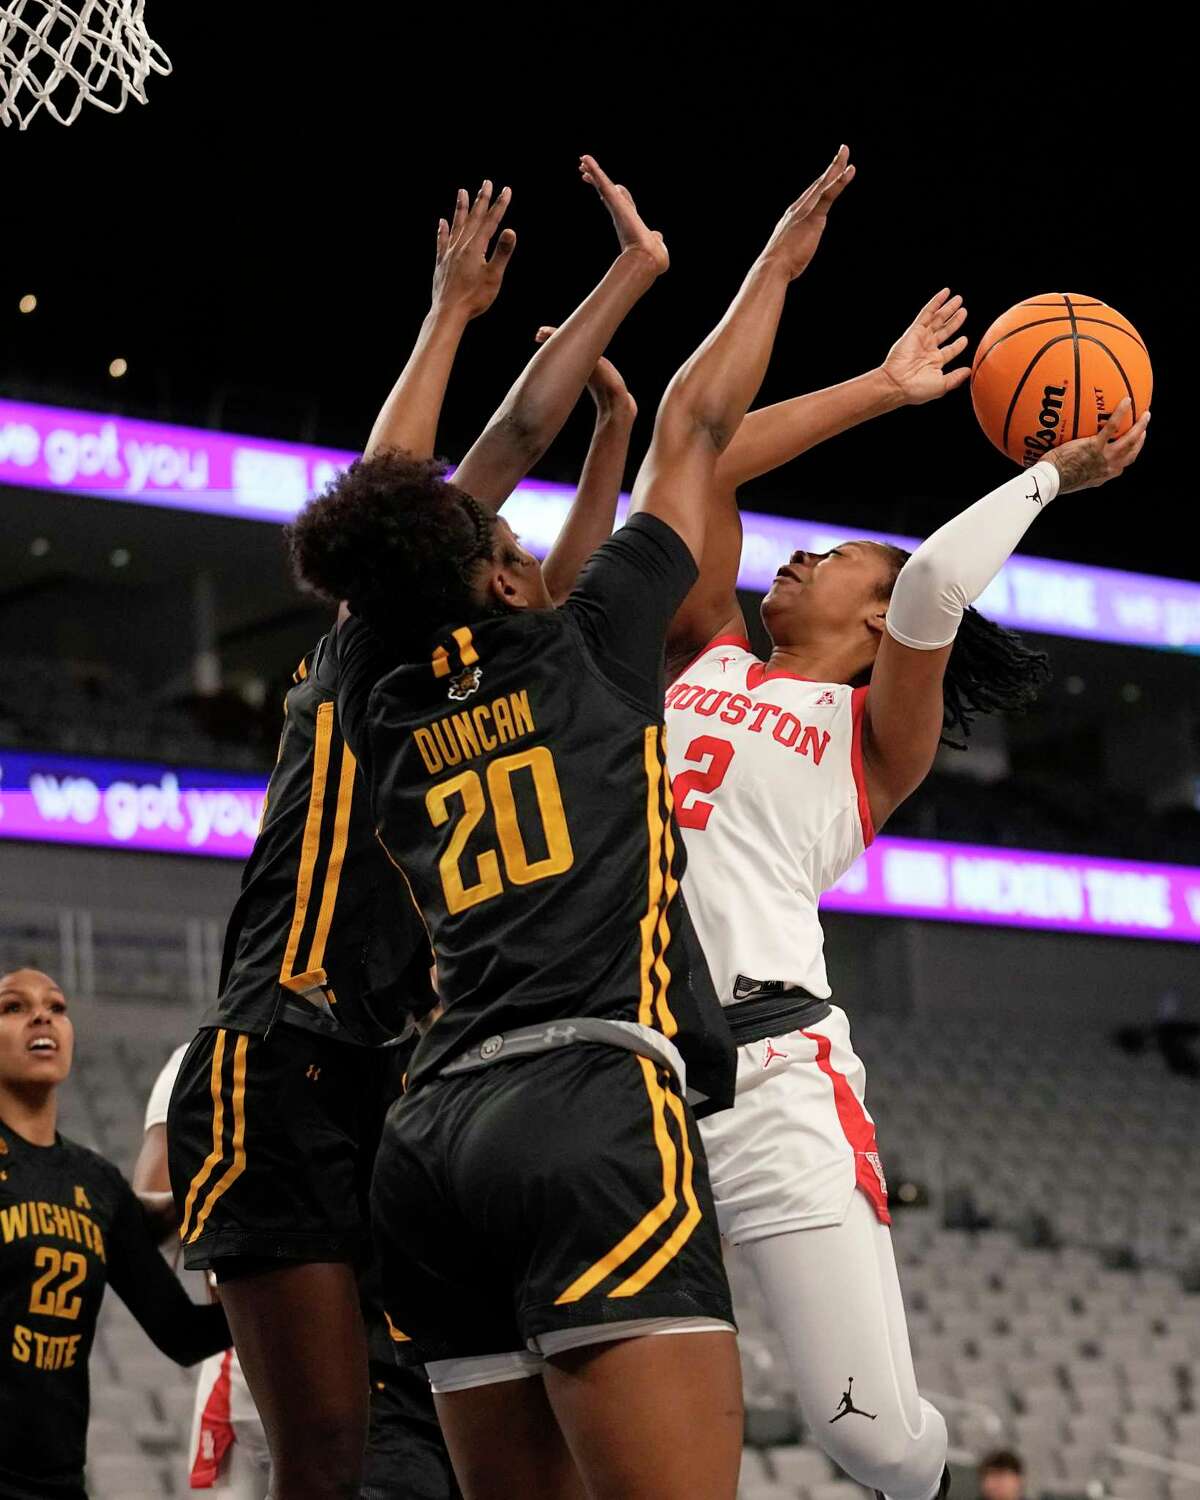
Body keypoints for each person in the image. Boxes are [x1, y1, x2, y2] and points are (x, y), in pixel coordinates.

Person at [289, 146, 857, 1500]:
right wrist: (771, 264)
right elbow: (697, 427)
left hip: (433, 1145)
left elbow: (393, 514)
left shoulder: (373, 684)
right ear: (500, 572)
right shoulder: (591, 643)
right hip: (591, 1105)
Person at [168, 165, 660, 1500]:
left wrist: (630, 295)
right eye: (470, 529)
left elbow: (552, 559)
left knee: (428, 1435)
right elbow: (472, 445)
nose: (488, 524)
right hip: (275, 1052)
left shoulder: (507, 674)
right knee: (323, 1453)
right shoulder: (368, 644)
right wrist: (461, 311)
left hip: (394, 1074)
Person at [661, 257, 1150, 1500]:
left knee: (868, 1438)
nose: (799, 556)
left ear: (874, 620)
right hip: (629, 1079)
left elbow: (937, 582)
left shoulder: (876, 732)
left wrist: (1049, 475)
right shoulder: (704, 652)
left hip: (773, 1082)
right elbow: (707, 464)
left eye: (830, 556)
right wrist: (881, 388)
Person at [0, 969, 230, 1500]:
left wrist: (297, 1300)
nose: (43, 1016)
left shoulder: (97, 1183)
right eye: (15, 1007)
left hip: (58, 1482)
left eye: (57, 1007)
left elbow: (181, 1334)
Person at [137, 1042, 271, 1498]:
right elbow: (149, 1214)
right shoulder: (201, 1057)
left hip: (366, 1341)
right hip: (245, 1344)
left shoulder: (387, 1047)